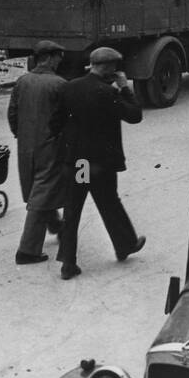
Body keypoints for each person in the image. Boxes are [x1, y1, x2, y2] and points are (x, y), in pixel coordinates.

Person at [51, 47, 145, 281]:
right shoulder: (107, 92)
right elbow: (135, 115)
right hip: (100, 164)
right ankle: (124, 244)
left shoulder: (70, 87)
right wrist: (124, 87)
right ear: (110, 68)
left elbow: (55, 123)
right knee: (109, 203)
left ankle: (67, 264)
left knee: (72, 210)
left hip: (77, 161)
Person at [8, 40, 66, 239]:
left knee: (36, 186)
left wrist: (20, 134)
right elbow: (66, 118)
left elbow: (12, 113)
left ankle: (55, 224)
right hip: (50, 146)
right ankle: (30, 247)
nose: (59, 62)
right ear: (49, 58)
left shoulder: (22, 81)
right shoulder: (59, 84)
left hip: (25, 145)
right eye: (58, 58)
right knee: (45, 189)